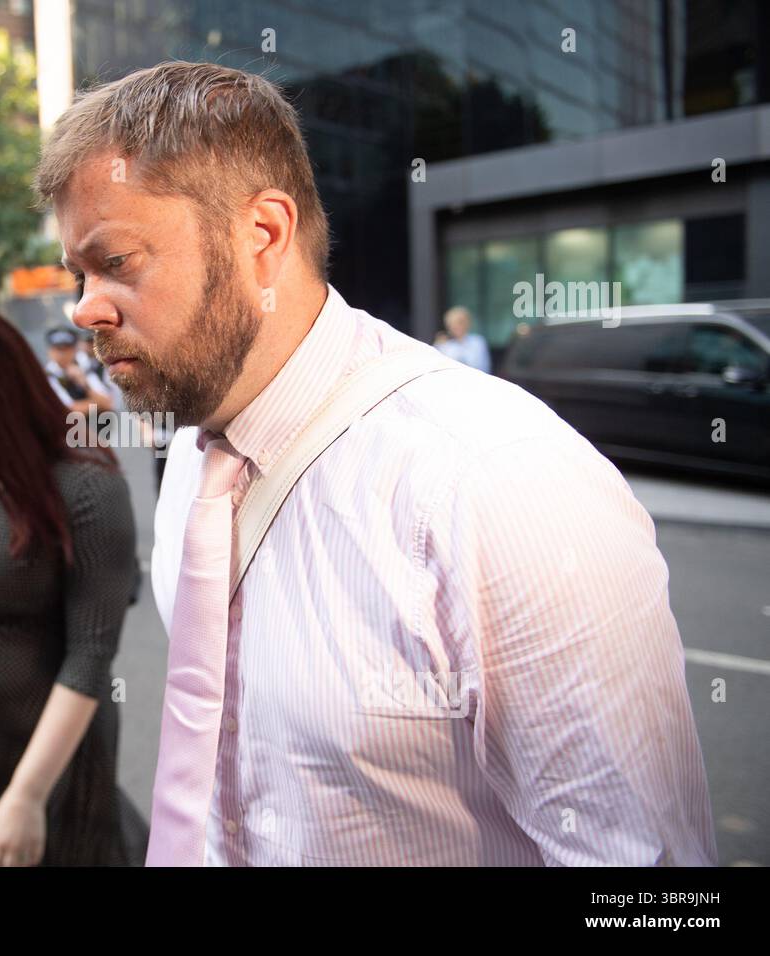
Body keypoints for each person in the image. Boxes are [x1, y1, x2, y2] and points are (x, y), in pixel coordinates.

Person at [36, 61, 717, 866]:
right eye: (77, 274)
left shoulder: (497, 479)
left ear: (261, 235)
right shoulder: (192, 453)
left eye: (116, 262)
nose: (83, 308)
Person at [0, 304, 148, 866]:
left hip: (37, 754)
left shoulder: (87, 487)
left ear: (4, 389)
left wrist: (29, 793)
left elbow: (90, 656)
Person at [43, 324, 118, 415]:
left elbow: (107, 403)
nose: (63, 354)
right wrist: (97, 404)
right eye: (58, 349)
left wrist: (84, 384)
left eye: (67, 348)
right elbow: (67, 410)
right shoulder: (47, 375)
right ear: (49, 351)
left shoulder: (83, 367)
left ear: (74, 350)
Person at [435, 305, 491, 373]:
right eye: (453, 323)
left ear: (468, 323)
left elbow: (484, 367)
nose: (457, 326)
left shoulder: (478, 341)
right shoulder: (443, 345)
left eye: (460, 322)